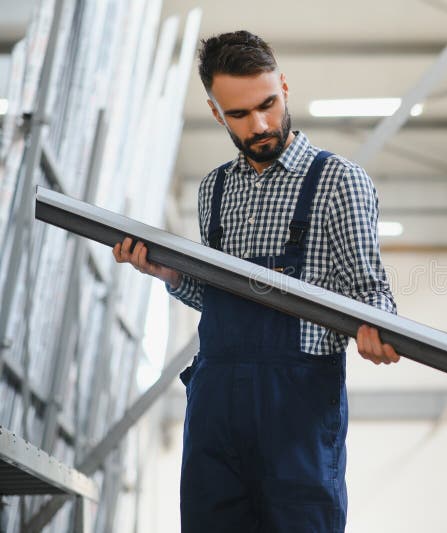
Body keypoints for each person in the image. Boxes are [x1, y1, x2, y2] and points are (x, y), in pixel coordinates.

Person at [112, 30, 400, 532]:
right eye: (240, 114)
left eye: (267, 104)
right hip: (216, 409)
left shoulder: (338, 181)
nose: (261, 124)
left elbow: (370, 289)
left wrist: (380, 330)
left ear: (284, 86)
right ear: (216, 111)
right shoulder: (214, 191)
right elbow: (225, 297)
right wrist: (171, 273)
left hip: (298, 413)